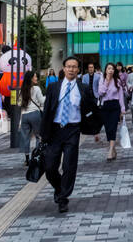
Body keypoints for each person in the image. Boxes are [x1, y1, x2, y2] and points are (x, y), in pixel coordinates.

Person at [39, 55, 100, 214]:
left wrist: (95, 128)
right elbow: (47, 111)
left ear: (78, 70)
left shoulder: (83, 88)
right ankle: (60, 188)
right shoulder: (53, 87)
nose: (72, 69)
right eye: (69, 66)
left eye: (74, 67)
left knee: (69, 166)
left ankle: (63, 199)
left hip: (73, 129)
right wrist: (42, 133)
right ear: (64, 68)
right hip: (55, 130)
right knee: (50, 167)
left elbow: (93, 108)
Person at [97, 62, 126, 160]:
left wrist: (122, 109)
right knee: (108, 129)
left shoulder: (117, 81)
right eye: (109, 68)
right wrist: (107, 81)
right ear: (105, 70)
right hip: (105, 106)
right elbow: (100, 93)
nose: (111, 70)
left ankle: (110, 151)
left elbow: (121, 96)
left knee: (113, 127)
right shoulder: (101, 80)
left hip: (115, 106)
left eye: (112, 69)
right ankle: (113, 149)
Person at [19, 68, 45, 166]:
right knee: (38, 136)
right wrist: (47, 97)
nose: (36, 78)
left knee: (26, 138)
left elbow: (19, 103)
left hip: (25, 115)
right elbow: (42, 101)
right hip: (35, 114)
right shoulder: (36, 88)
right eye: (34, 76)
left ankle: (27, 159)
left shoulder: (23, 89)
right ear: (30, 78)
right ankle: (37, 157)